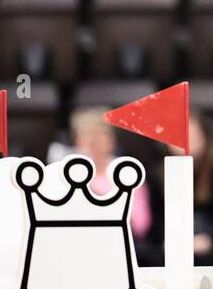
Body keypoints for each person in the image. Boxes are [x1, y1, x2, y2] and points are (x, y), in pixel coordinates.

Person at [49, 107, 156, 261]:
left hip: (120, 250)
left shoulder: (127, 173)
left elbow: (140, 225)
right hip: (74, 250)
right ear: (77, 141)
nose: (94, 142)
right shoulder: (64, 174)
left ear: (112, 140)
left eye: (101, 135)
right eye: (87, 135)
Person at [167, 111, 213, 266]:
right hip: (174, 242)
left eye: (191, 136)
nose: (184, 143)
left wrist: (210, 238)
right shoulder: (160, 174)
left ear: (204, 137)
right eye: (177, 137)